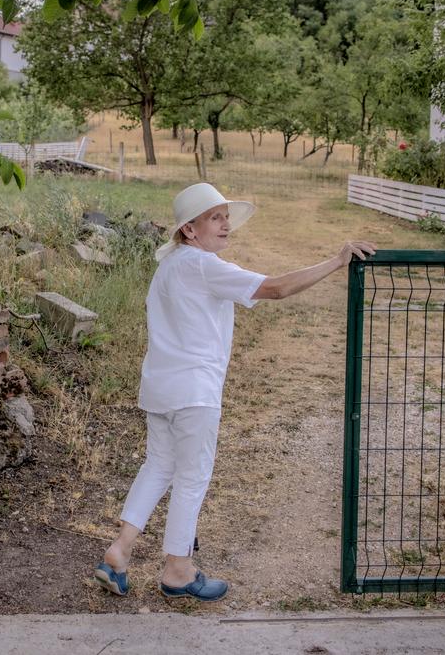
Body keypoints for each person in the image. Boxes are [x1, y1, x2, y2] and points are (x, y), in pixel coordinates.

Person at [94, 182, 376, 602]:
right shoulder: (203, 266)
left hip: (160, 387)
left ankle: (118, 552)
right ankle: (177, 571)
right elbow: (277, 288)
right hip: (194, 391)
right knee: (192, 477)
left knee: (159, 466)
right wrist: (337, 260)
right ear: (190, 230)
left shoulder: (168, 266)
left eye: (226, 216)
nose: (226, 225)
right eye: (215, 217)